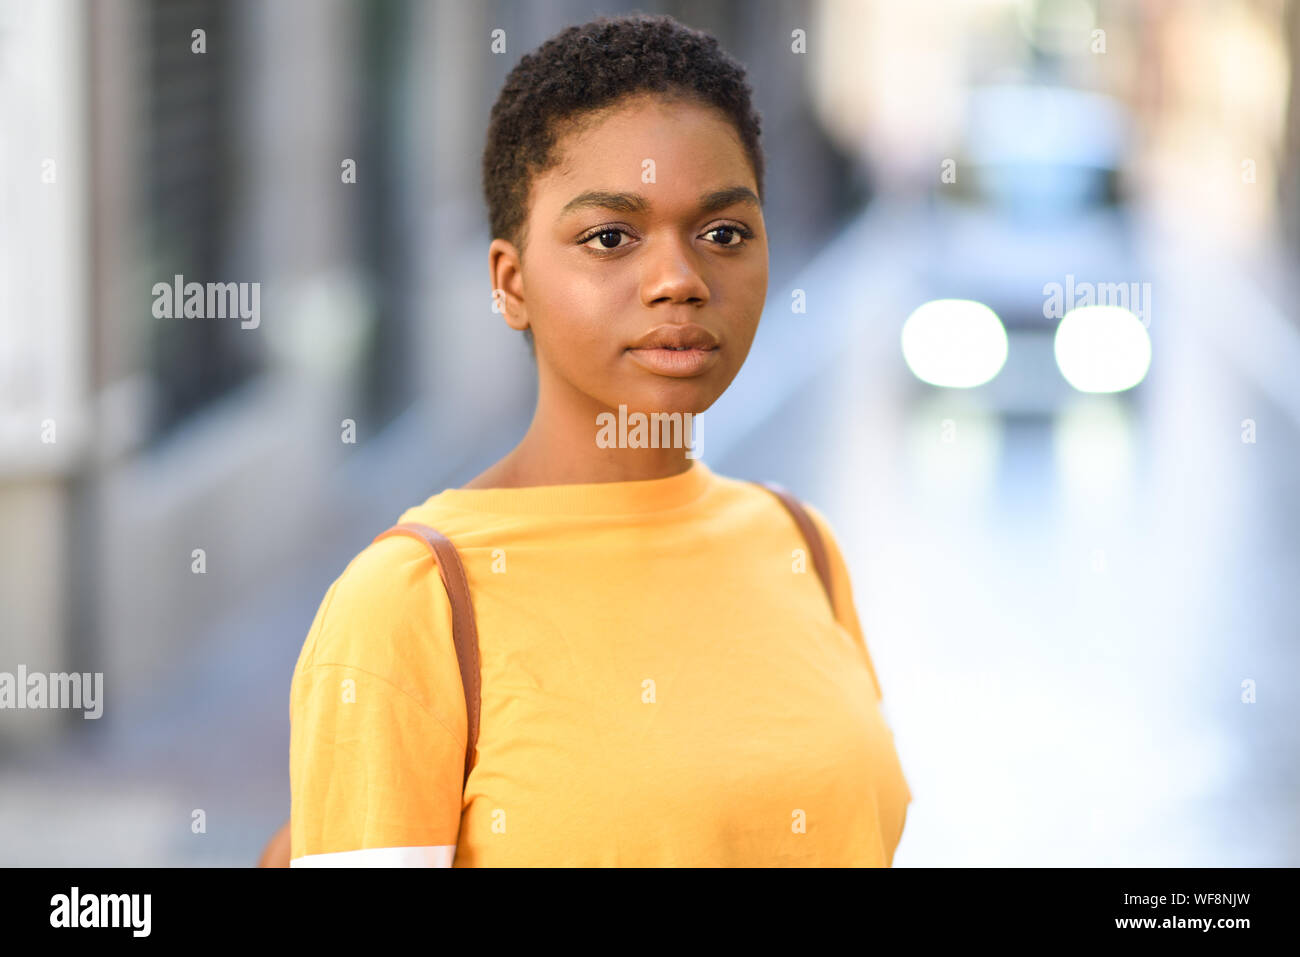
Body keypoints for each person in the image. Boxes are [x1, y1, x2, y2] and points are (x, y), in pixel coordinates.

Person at [288, 12, 910, 867]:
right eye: (610, 237)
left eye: (723, 233)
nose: (679, 281)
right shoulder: (413, 602)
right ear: (512, 284)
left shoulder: (802, 543)